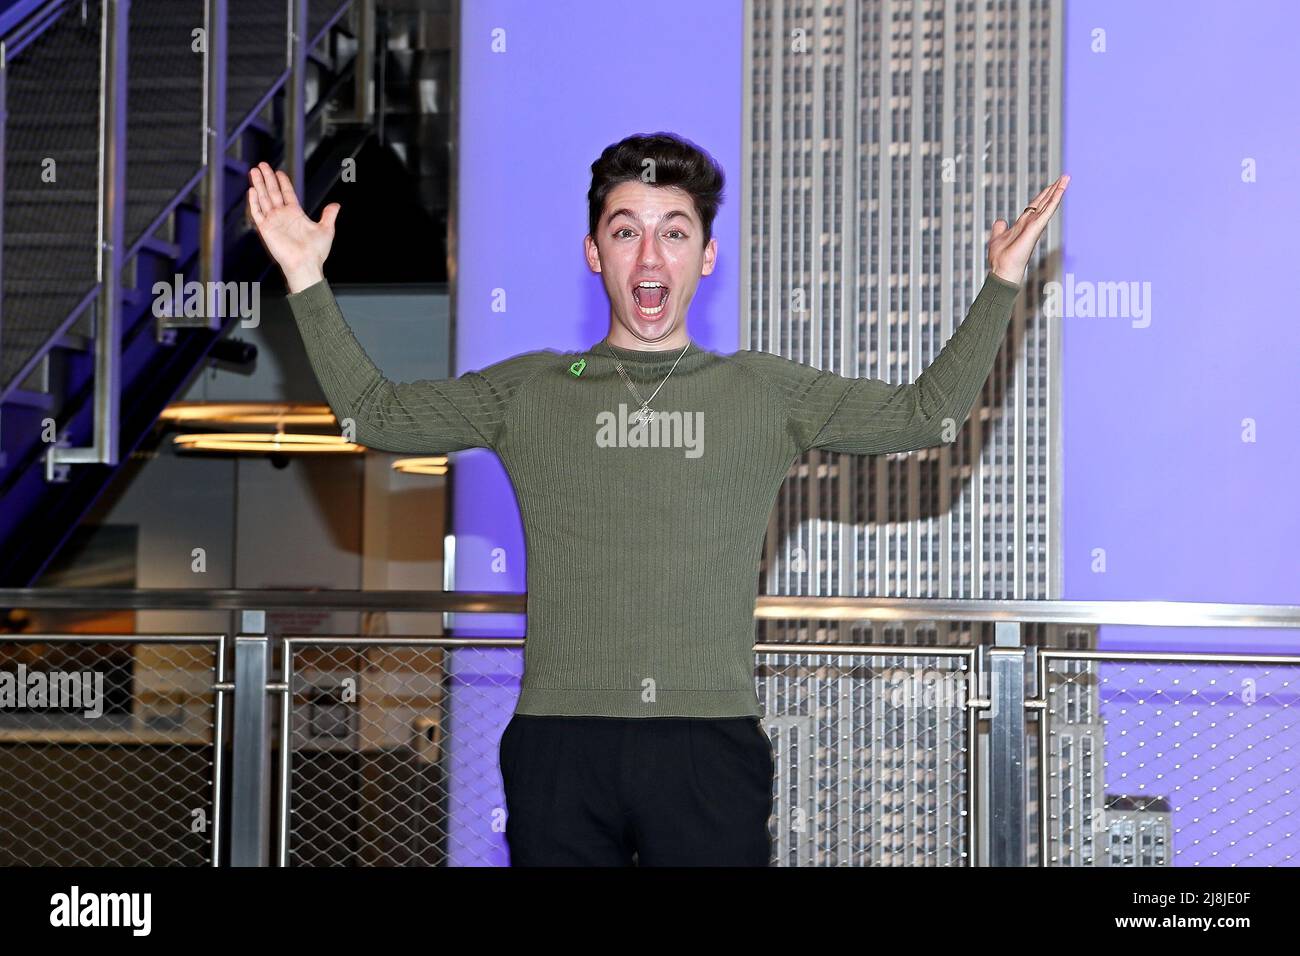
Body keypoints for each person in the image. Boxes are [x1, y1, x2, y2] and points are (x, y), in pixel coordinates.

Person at [247, 132, 1067, 866]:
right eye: (626, 231)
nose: (649, 258)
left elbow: (929, 414)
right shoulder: (530, 390)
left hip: (708, 751)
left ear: (705, 256)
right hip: (558, 748)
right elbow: (376, 417)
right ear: (593, 253)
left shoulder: (762, 392)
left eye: (674, 233)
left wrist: (1000, 283)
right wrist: (305, 275)